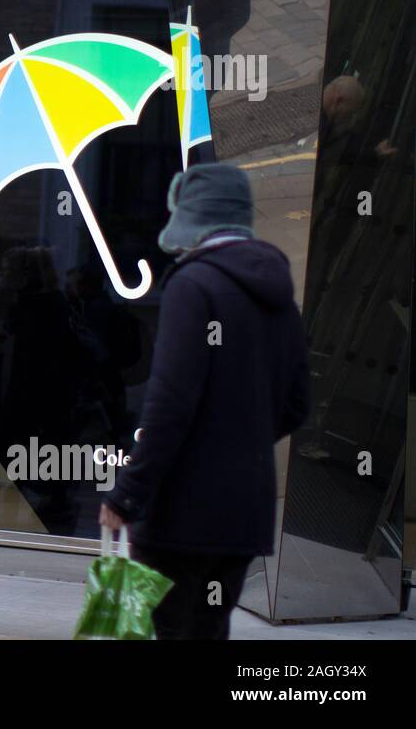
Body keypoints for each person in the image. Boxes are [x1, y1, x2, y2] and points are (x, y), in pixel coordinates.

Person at [100, 162, 310, 639]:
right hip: (245, 511)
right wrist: (240, 441)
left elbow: (170, 403)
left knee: (172, 630)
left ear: (190, 218)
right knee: (211, 628)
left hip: (181, 511)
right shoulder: (277, 288)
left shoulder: (193, 285)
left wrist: (128, 492)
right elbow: (298, 403)